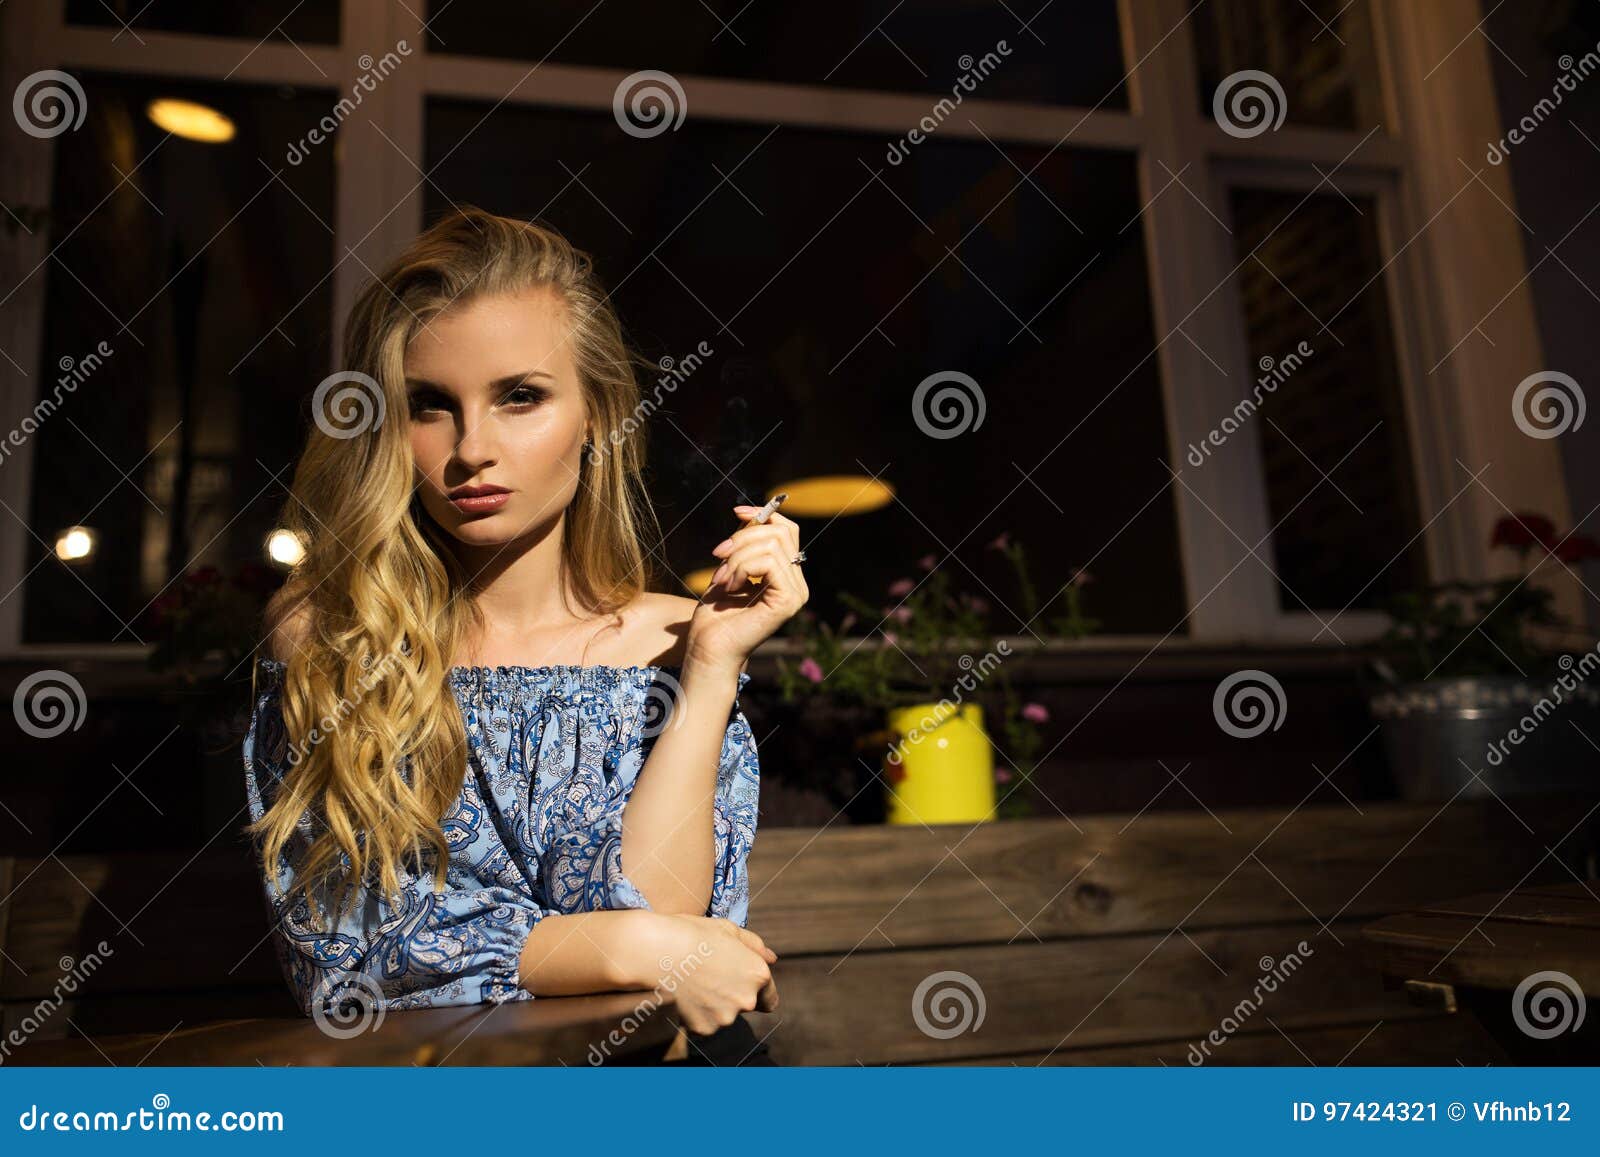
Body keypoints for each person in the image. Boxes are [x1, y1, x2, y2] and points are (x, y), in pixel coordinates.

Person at [241, 206, 806, 1061]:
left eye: (520, 397)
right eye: (430, 405)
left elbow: (670, 911)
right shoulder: (334, 635)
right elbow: (349, 953)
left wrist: (713, 665)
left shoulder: (675, 637)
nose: (472, 449)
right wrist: (627, 948)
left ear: (597, 417)